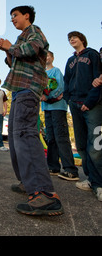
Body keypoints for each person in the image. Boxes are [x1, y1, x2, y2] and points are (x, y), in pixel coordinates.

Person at [0, 5, 63, 216]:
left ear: (27, 16)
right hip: (17, 90)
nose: (12, 19)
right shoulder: (19, 39)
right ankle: (28, 182)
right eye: (11, 17)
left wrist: (9, 47)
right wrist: (7, 50)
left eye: (15, 15)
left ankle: (44, 193)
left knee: (25, 136)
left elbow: (30, 50)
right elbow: (14, 62)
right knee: (16, 140)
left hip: (28, 89)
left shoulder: (34, 31)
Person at [63, 31, 102, 201]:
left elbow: (98, 80)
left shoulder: (92, 54)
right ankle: (90, 179)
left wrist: (91, 100)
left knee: (95, 146)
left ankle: (99, 184)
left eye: (74, 37)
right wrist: (68, 99)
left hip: (92, 104)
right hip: (75, 104)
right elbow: (66, 81)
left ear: (82, 39)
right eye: (69, 38)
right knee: (81, 146)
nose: (72, 39)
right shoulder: (70, 61)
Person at [41, 51, 79, 180]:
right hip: (47, 108)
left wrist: (48, 96)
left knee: (61, 136)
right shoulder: (41, 74)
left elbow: (60, 87)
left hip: (57, 107)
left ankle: (70, 170)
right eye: (44, 56)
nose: (46, 58)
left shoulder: (56, 71)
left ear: (52, 58)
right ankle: (53, 166)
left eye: (48, 55)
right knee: (50, 137)